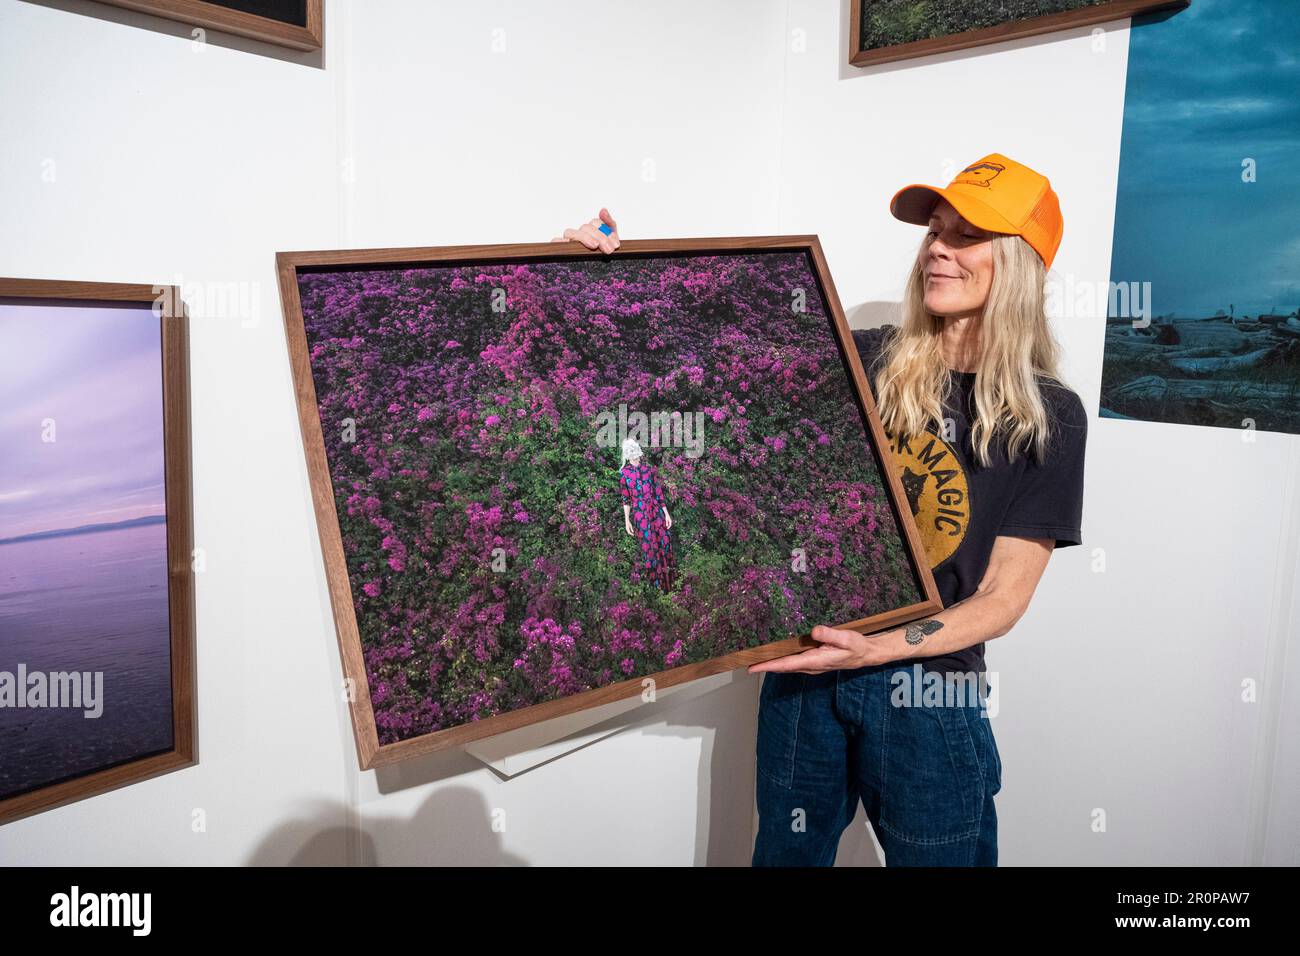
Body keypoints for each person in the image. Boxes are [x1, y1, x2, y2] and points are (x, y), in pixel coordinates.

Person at [556, 153, 1088, 866]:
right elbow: (706, 350)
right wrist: (595, 273)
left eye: (966, 236)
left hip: (929, 690)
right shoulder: (862, 358)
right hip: (808, 671)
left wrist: (879, 647)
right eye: (936, 229)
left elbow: (1002, 597)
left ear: (1019, 264)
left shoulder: (1049, 416)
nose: (937, 247)